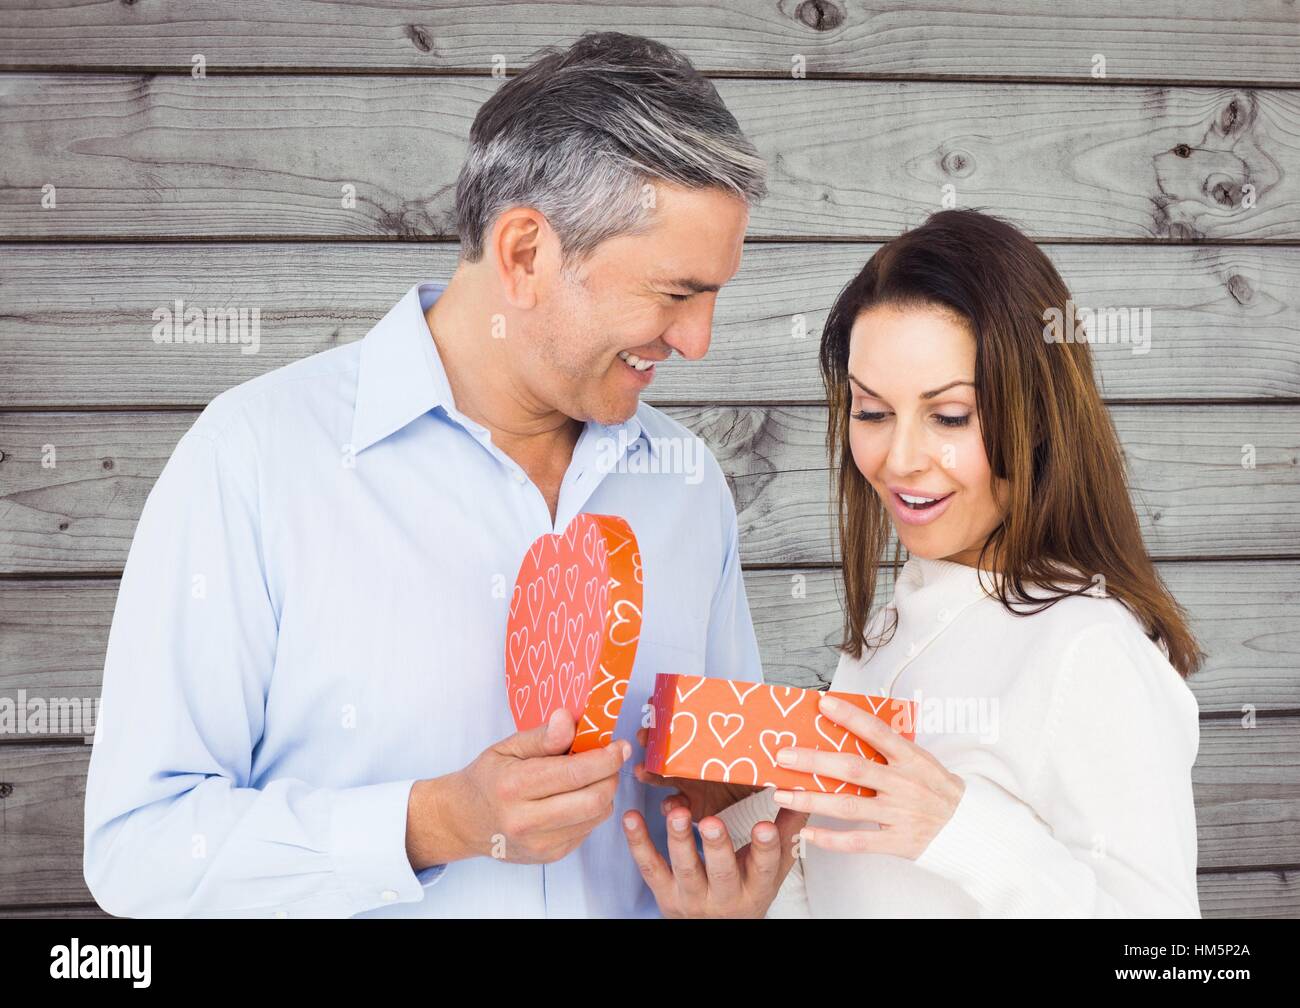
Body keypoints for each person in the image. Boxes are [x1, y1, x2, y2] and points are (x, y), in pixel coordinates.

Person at [82, 31, 797, 918]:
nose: (698, 342)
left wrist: (744, 863)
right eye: (676, 294)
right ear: (526, 253)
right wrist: (430, 825)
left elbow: (726, 808)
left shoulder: (688, 485)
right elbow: (138, 851)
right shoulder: (255, 461)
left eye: (716, 295)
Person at [627, 210, 1203, 918]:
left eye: (951, 416)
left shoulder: (1088, 648)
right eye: (872, 412)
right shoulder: (892, 634)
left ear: (1040, 416)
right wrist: (748, 837)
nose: (899, 460)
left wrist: (959, 829)